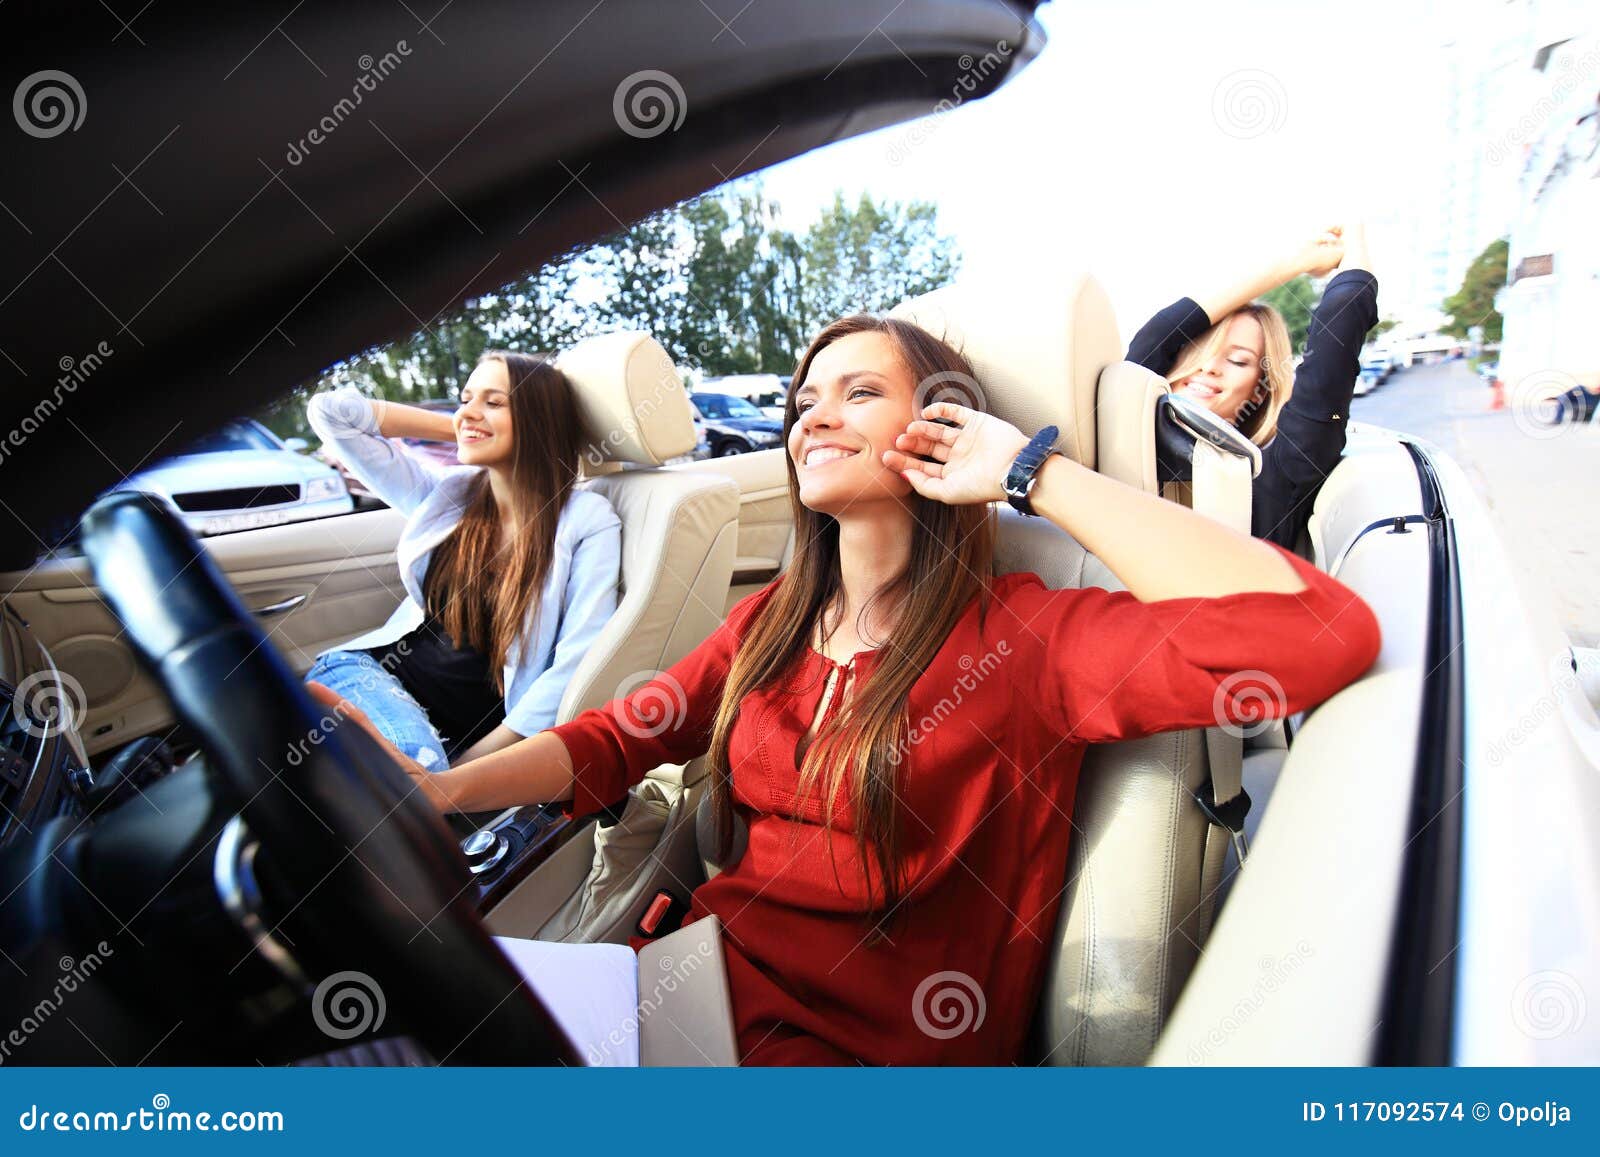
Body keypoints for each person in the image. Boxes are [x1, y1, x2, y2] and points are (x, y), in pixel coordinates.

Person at [312, 315, 1381, 1065]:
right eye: (801, 401)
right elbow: (608, 742)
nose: (812, 418)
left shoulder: (1023, 635)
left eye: (858, 392)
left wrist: (1033, 474)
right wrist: (437, 792)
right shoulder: (769, 622)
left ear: (943, 426)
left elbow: (1318, 632)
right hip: (671, 995)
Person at [303, 351, 621, 770]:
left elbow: (577, 663)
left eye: (494, 402)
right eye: (465, 399)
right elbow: (333, 414)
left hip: (451, 740)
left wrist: (463, 773)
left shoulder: (587, 521)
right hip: (367, 680)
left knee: (401, 788)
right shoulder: (450, 496)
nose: (468, 412)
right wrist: (471, 426)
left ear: (538, 420)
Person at [1126, 224, 1380, 549]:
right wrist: (1298, 261)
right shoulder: (1123, 440)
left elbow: (1338, 332)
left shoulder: (1276, 474)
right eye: (1199, 352)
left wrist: (1353, 231)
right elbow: (1157, 335)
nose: (1208, 368)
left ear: (1260, 391)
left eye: (1237, 361)